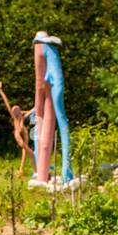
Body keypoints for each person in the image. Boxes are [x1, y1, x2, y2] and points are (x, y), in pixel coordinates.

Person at [31, 31, 77, 191]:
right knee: (37, 136)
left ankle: (66, 172)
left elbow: (41, 83)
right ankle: (42, 171)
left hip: (51, 85)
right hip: (37, 116)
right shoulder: (46, 50)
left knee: (60, 120)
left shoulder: (46, 49)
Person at [0, 80, 36, 177]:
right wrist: (0, 91)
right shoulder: (14, 118)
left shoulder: (23, 116)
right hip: (18, 132)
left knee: (25, 152)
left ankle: (22, 169)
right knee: (29, 151)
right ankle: (35, 170)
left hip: (24, 131)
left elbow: (32, 110)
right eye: (14, 110)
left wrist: (39, 101)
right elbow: (6, 102)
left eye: (17, 109)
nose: (15, 110)